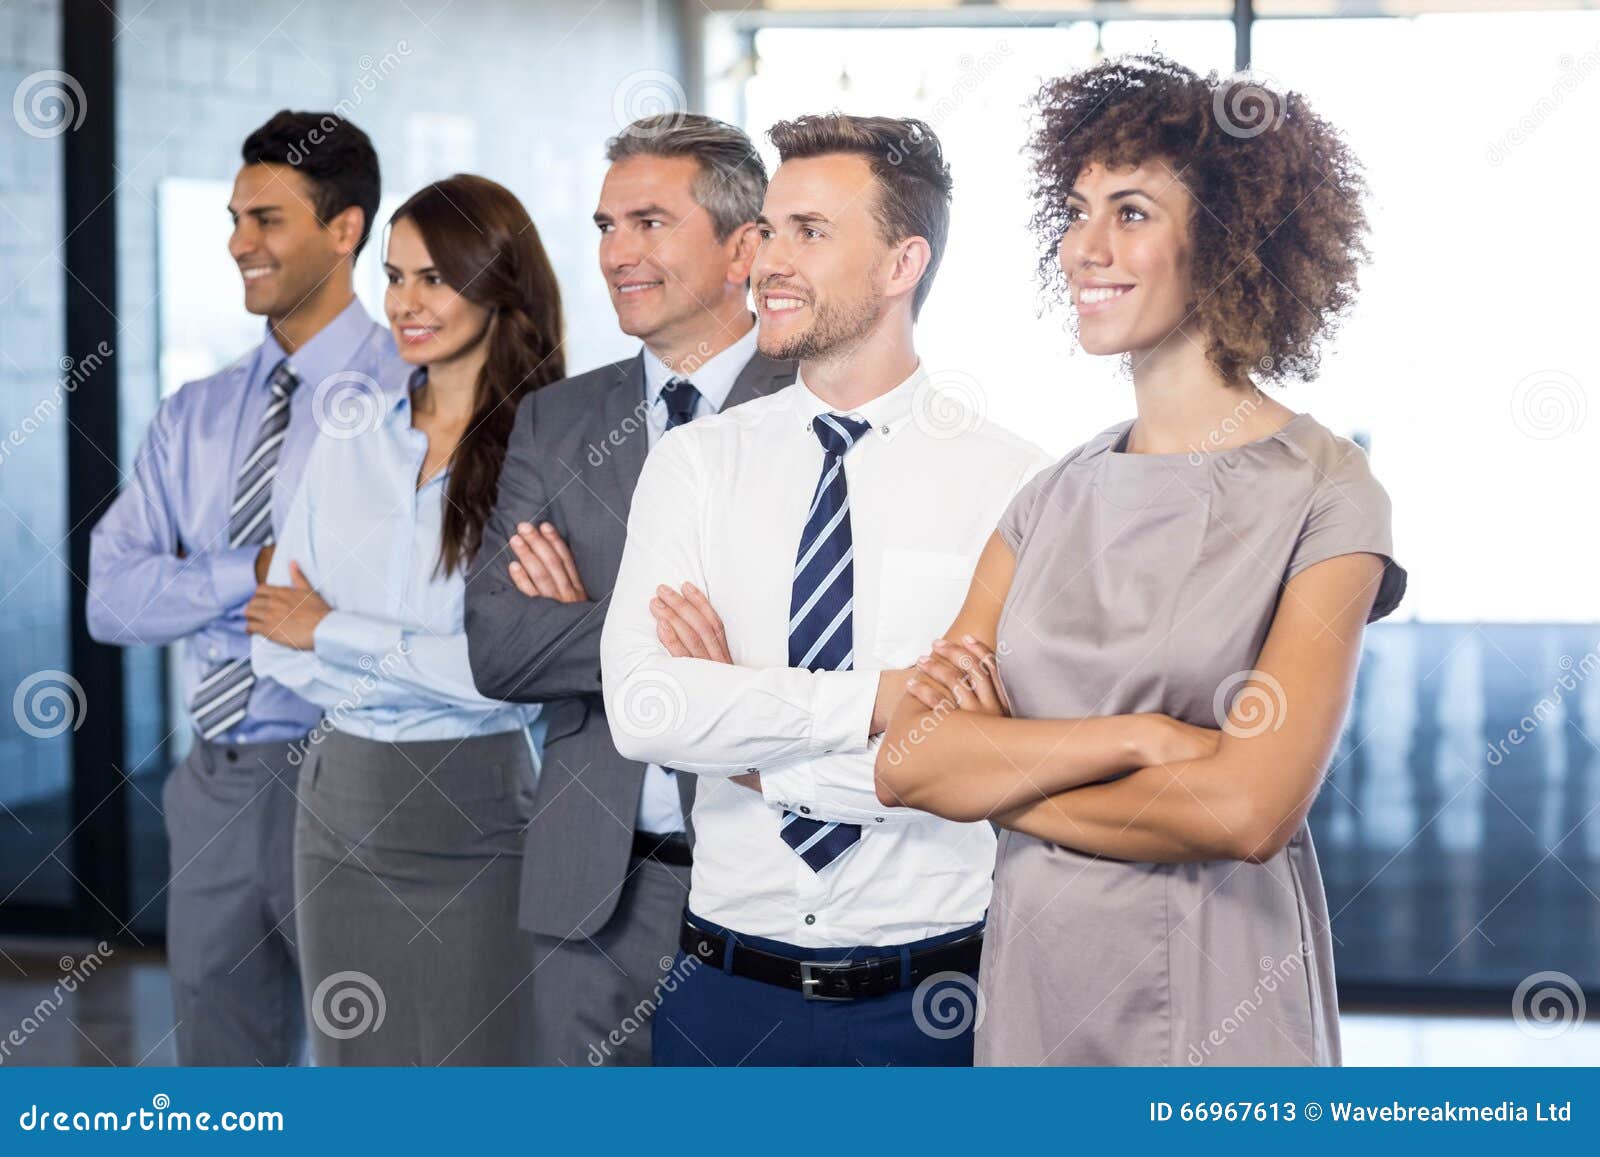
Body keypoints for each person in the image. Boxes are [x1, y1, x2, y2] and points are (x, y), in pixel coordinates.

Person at [874, 53, 1408, 1066]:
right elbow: (906, 760)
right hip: (1035, 981)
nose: (1085, 247)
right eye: (1076, 212)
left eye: (1129, 213)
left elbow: (1249, 808)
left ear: (1229, 236)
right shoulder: (1049, 496)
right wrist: (1148, 737)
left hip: (1221, 984)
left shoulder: (1327, 491)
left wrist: (998, 774)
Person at [600, 113, 1052, 1067]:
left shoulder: (1017, 486)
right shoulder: (695, 463)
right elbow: (647, 711)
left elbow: (988, 769)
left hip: (936, 1005)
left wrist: (741, 726)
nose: (767, 260)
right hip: (721, 999)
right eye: (767, 228)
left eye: (810, 231)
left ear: (902, 264)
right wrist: (887, 699)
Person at [463, 114, 792, 1066]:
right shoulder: (556, 419)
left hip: (766, 878)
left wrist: (584, 622)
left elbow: (810, 649)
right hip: (588, 887)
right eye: (606, 227)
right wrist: (690, 648)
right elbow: (498, 645)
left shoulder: (814, 402)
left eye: (649, 222)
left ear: (743, 247)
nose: (617, 254)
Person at [87, 110, 402, 1066]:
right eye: (235, 218)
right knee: (224, 1067)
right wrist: (256, 575)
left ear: (343, 230)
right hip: (216, 774)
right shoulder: (196, 411)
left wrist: (198, 586)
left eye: (266, 219)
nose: (237, 244)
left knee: (378, 1057)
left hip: (361, 767)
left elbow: (399, 598)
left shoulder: (415, 391)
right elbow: (112, 597)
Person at [248, 174, 563, 1065]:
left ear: (498, 282)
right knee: (356, 1077)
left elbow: (504, 670)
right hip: (337, 800)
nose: (405, 303)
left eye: (434, 277)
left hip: (479, 803)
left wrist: (336, 631)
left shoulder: (546, 453)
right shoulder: (345, 435)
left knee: (478, 1076)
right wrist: (373, 649)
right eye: (393, 276)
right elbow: (276, 644)